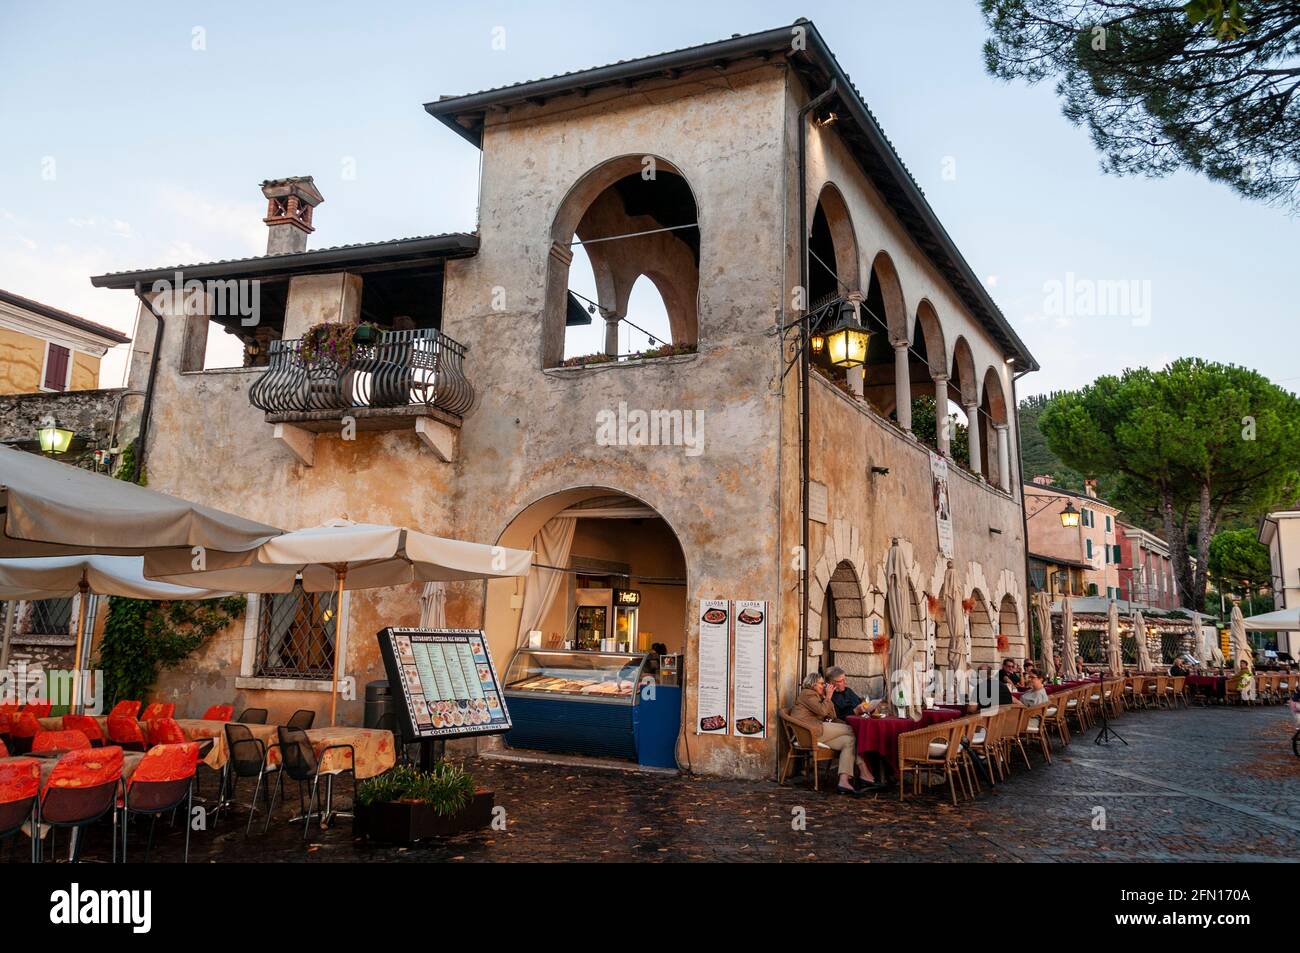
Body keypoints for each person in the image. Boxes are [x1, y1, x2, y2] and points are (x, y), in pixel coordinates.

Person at [791, 672, 879, 794]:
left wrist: (826, 697)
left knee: (849, 741)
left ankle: (844, 781)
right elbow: (822, 711)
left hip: (819, 731)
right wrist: (828, 696)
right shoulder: (807, 694)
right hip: (810, 732)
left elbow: (832, 716)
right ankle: (865, 772)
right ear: (812, 684)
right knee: (854, 730)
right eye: (821, 684)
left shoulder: (818, 696)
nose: (824, 686)